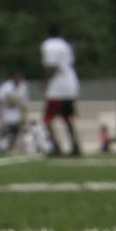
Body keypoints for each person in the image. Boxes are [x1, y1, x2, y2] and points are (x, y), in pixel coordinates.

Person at [40, 23, 81, 156]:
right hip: (70, 84)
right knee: (67, 118)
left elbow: (52, 66)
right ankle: (75, 146)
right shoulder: (65, 44)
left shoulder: (48, 45)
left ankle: (56, 146)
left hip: (57, 87)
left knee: (47, 119)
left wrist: (45, 82)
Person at [0, 71, 29, 154]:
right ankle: (2, 147)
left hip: (17, 113)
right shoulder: (7, 86)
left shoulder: (23, 86)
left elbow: (24, 101)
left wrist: (24, 112)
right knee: (7, 130)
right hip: (7, 112)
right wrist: (0, 109)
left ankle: (8, 147)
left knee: (15, 131)